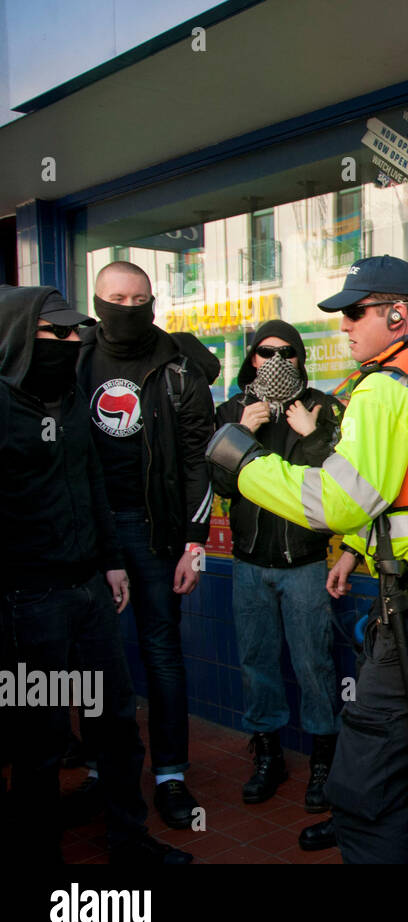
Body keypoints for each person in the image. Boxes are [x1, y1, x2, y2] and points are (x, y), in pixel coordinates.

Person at [206, 256, 408, 863]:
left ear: (397, 313)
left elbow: (341, 499)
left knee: (359, 790)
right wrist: (359, 551)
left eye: (355, 313)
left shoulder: (386, 385)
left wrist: (247, 465)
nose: (345, 328)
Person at [0, 285, 190, 864]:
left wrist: (110, 563)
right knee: (42, 738)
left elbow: (93, 486)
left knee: (114, 724)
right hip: (30, 600)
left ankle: (129, 839)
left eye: (73, 333)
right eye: (53, 334)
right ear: (16, 337)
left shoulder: (70, 400)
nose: (69, 342)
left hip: (89, 592)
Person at [77, 261, 214, 829]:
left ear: (153, 301)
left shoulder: (179, 367)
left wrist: (194, 541)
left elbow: (196, 459)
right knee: (92, 657)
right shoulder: (76, 359)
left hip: (155, 529)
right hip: (89, 530)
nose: (127, 308)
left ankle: (170, 775)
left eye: (138, 299)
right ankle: (98, 770)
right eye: (116, 298)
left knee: (161, 652)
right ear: (98, 299)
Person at [212, 320, 344, 811]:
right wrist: (243, 433)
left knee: (315, 666)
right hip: (248, 564)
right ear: (252, 359)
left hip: (305, 564)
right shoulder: (231, 411)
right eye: (266, 353)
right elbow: (221, 486)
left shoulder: (322, 408)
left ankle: (323, 762)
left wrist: (309, 434)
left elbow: (337, 478)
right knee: (257, 664)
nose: (276, 361)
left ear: (300, 359)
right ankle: (267, 755)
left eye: (287, 353)